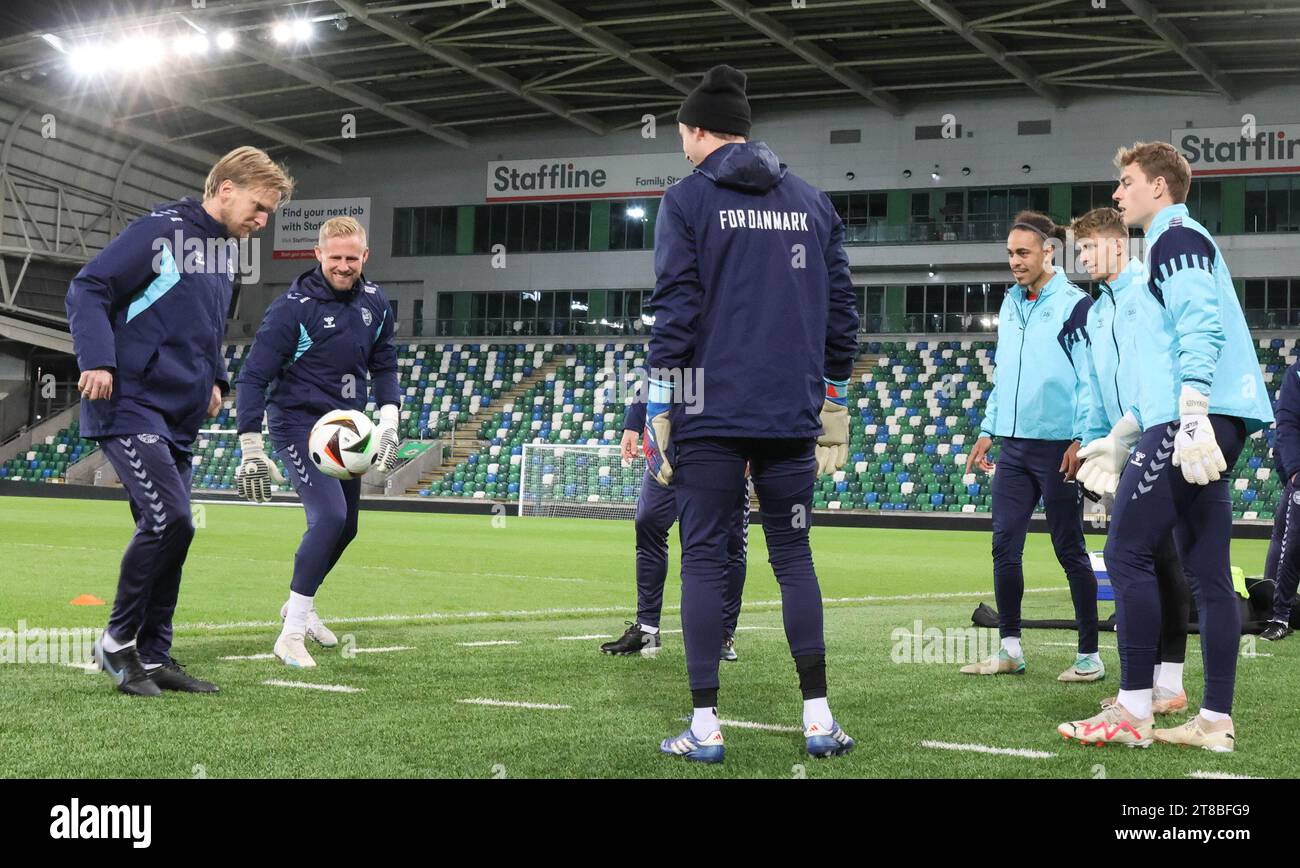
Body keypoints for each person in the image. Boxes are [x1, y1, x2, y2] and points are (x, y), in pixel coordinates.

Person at [646, 64, 859, 763]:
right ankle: (819, 719)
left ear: (698, 131)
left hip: (709, 408)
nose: (681, 144)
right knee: (794, 555)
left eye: (682, 133)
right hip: (791, 410)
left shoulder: (686, 200)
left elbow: (677, 306)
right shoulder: (813, 203)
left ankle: (705, 727)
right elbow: (842, 309)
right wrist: (834, 395)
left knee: (705, 558)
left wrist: (662, 398)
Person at [1058, 142, 1273, 751]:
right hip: (1194, 419)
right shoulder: (1169, 246)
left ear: (1158, 186)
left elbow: (1200, 324)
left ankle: (1133, 710)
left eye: (1126, 182)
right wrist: (1121, 435)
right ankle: (1214, 720)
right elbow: (1160, 370)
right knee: (1208, 572)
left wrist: (1194, 411)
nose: (1117, 193)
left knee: (1125, 550)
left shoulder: (1174, 238)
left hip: (1193, 420)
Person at [68, 146, 293, 696]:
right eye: (259, 207)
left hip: (181, 411)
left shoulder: (223, 252)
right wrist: (96, 359)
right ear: (226, 189)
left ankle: (154, 654)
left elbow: (207, 325)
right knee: (173, 520)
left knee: (171, 535)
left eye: (269, 213)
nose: (262, 221)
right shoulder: (161, 230)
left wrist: (216, 379)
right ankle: (116, 643)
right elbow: (89, 287)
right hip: (131, 400)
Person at [234, 217, 400, 668]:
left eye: (352, 258)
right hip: (298, 425)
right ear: (318, 254)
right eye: (336, 257)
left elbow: (385, 364)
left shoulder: (376, 301)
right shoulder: (291, 308)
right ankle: (290, 635)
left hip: (348, 429)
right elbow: (253, 377)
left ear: (365, 256)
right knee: (329, 516)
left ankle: (300, 608)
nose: (344, 266)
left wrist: (388, 421)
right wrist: (251, 446)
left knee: (347, 528)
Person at [960, 211, 1100, 682]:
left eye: (1023, 252)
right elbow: (1004, 375)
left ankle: (1089, 655)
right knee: (1004, 546)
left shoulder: (1076, 305)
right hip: (1014, 449)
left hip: (1060, 447)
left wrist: (1081, 437)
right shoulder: (1010, 303)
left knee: (1069, 548)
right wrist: (988, 429)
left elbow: (1090, 378)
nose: (1015, 262)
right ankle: (1010, 649)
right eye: (1010, 254)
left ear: (1048, 252)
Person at [1071, 206, 1191, 715]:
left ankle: (1165, 683)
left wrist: (1132, 430)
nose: (1081, 258)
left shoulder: (1150, 290)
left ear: (1117, 244)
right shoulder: (1098, 312)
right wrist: (1096, 442)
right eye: (1078, 250)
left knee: (1152, 556)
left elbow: (1164, 371)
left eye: (1087, 247)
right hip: (1121, 442)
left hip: (1158, 430)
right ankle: (1159, 684)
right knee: (1152, 556)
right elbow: (1095, 386)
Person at [600, 397, 748, 660]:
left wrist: (752, 445)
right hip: (669, 444)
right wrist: (633, 424)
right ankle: (647, 629)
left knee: (728, 541)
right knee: (648, 522)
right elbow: (655, 376)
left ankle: (722, 633)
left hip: (722, 445)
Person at [1259, 358, 1300, 642]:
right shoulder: (1296, 373)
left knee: (1285, 536)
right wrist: (1295, 471)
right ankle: (1278, 616)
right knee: (1293, 542)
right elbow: (1287, 425)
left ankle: (1272, 607)